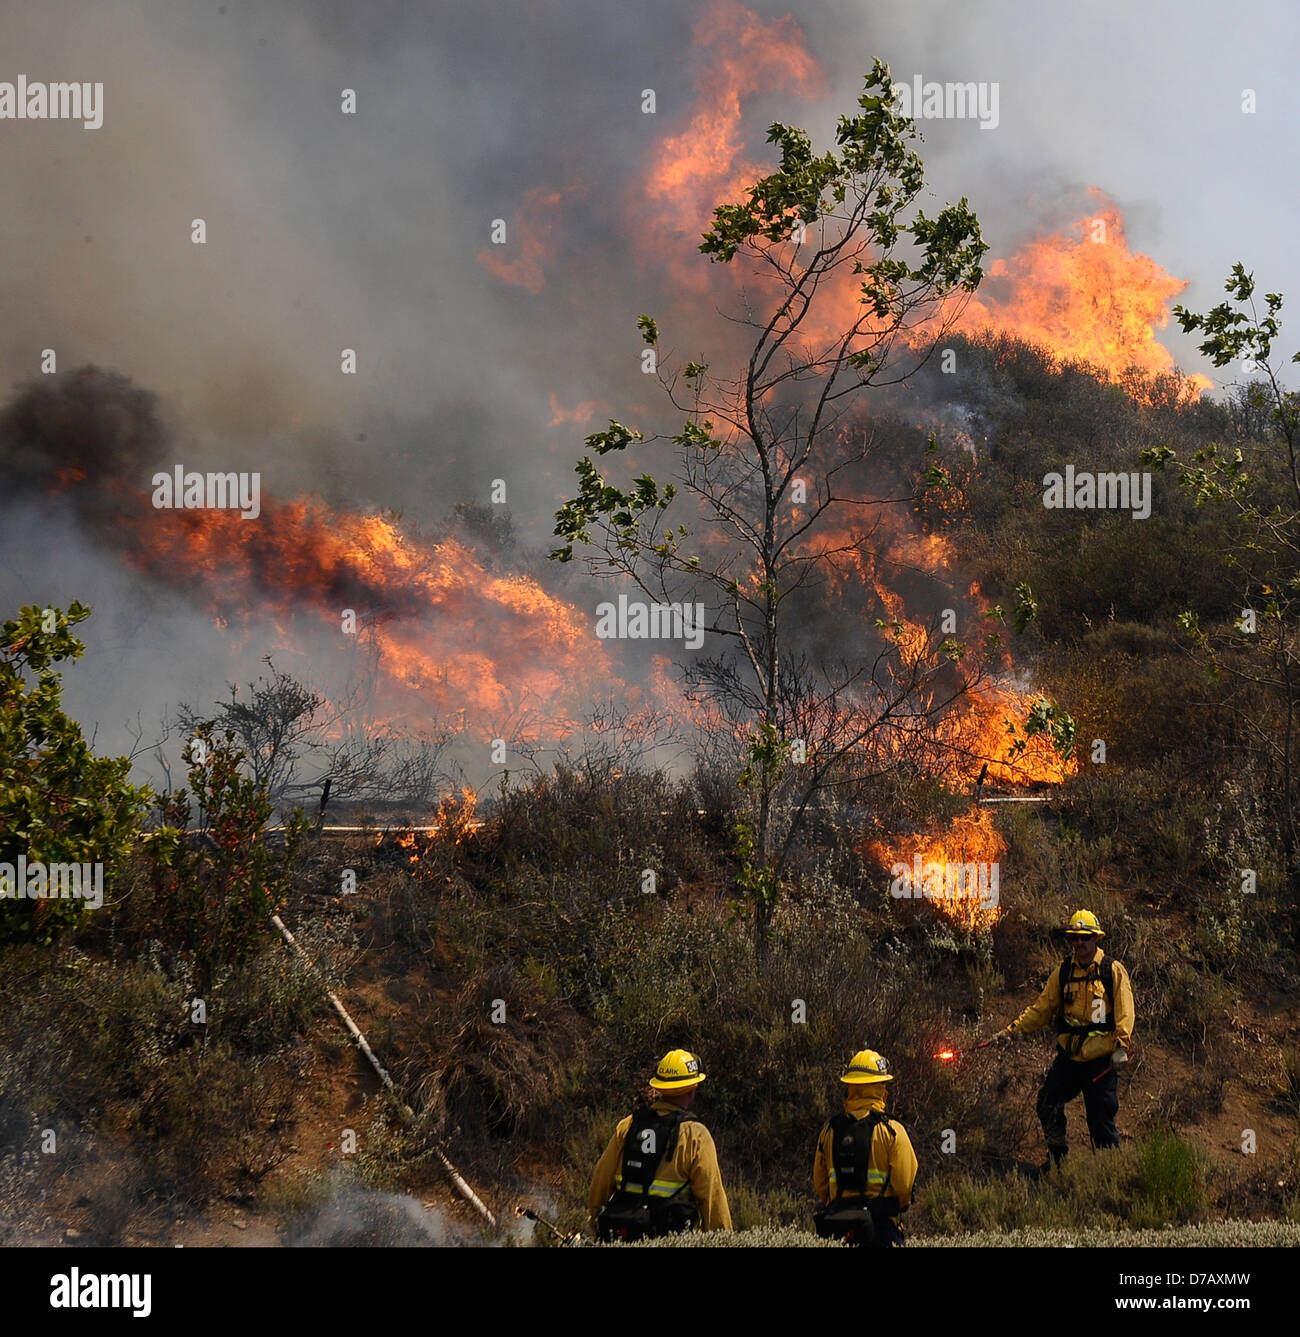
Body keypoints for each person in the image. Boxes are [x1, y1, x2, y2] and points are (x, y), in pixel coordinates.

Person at [992, 909, 1135, 1168]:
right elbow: (1041, 1009)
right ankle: (1058, 1163)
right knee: (1047, 1103)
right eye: (1074, 938)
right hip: (1070, 1059)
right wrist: (1011, 1031)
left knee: (1100, 1122)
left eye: (1085, 937)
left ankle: (1112, 1175)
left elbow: (1126, 1011)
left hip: (1100, 1061)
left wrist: (1121, 1046)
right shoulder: (1064, 972)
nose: (1079, 943)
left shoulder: (1111, 970)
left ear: (1096, 938)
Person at [588, 1048, 732, 1240]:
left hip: (624, 1236)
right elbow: (712, 1200)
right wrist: (724, 1240)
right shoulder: (695, 1136)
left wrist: (595, 1227)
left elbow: (600, 1182)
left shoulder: (628, 1126)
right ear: (692, 1088)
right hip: (671, 1239)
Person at [812, 1048, 918, 1247]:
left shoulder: (829, 1131)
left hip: (838, 1229)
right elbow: (904, 1186)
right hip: (881, 1230)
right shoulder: (892, 1131)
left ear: (851, 1087)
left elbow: (820, 1184)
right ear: (878, 1088)